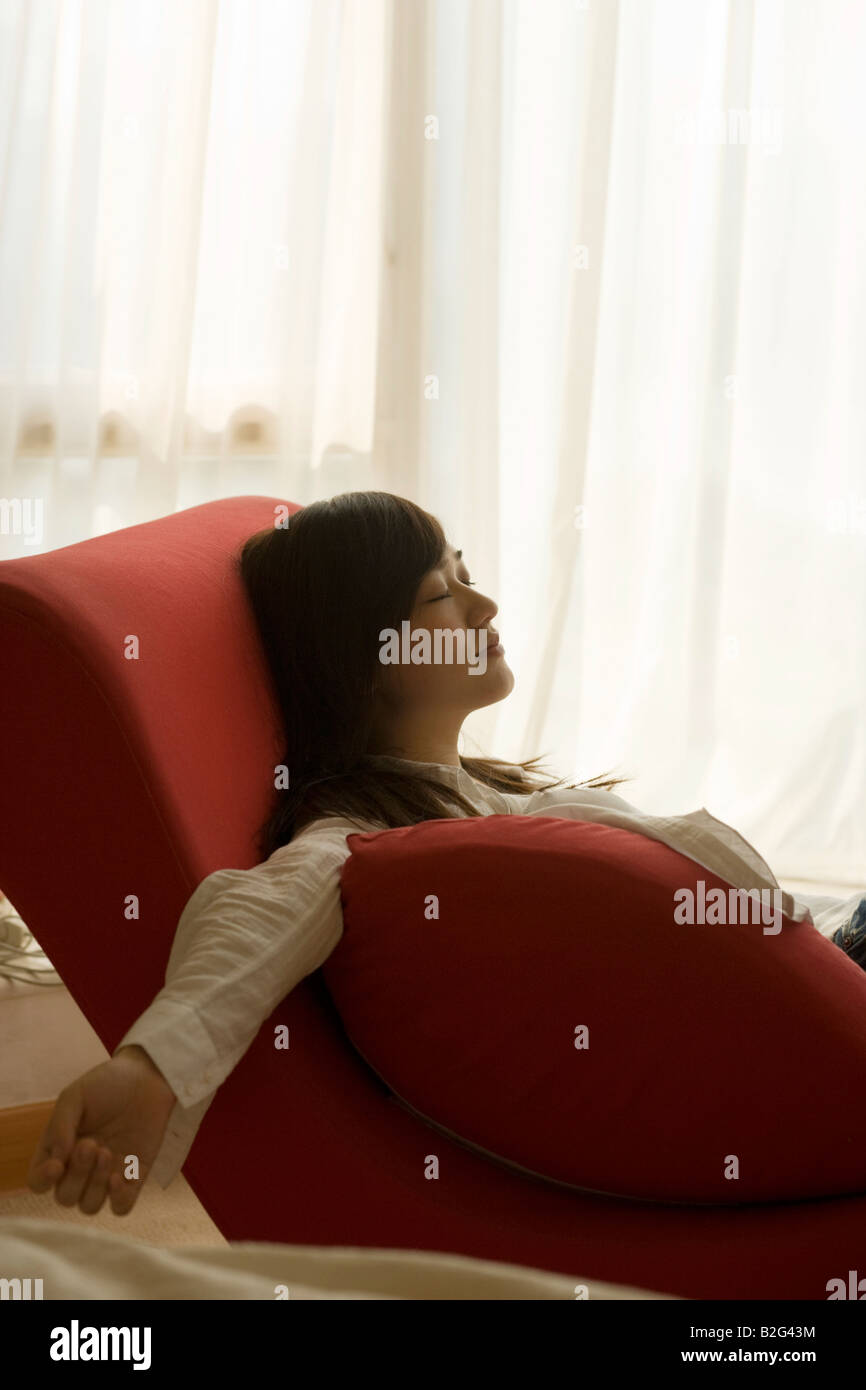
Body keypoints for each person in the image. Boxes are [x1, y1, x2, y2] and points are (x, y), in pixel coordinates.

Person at [26, 491, 866, 1218]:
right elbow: (260, 910)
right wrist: (150, 1068)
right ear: (368, 659)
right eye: (441, 593)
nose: (485, 605)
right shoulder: (362, 841)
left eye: (465, 572)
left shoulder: (466, 794)